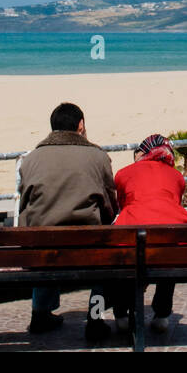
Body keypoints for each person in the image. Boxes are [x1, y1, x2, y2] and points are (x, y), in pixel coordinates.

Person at [17, 102, 118, 341]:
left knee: (44, 234)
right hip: (87, 248)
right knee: (107, 255)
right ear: (81, 125)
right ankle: (95, 318)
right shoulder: (98, 156)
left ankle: (40, 313)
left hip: (41, 250)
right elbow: (109, 205)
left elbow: (25, 206)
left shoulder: (29, 159)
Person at [112, 133, 187, 333]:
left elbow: (122, 205)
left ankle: (122, 314)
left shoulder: (123, 173)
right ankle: (162, 314)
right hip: (167, 243)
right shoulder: (177, 176)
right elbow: (175, 203)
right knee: (170, 252)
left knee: (124, 254)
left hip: (132, 239)